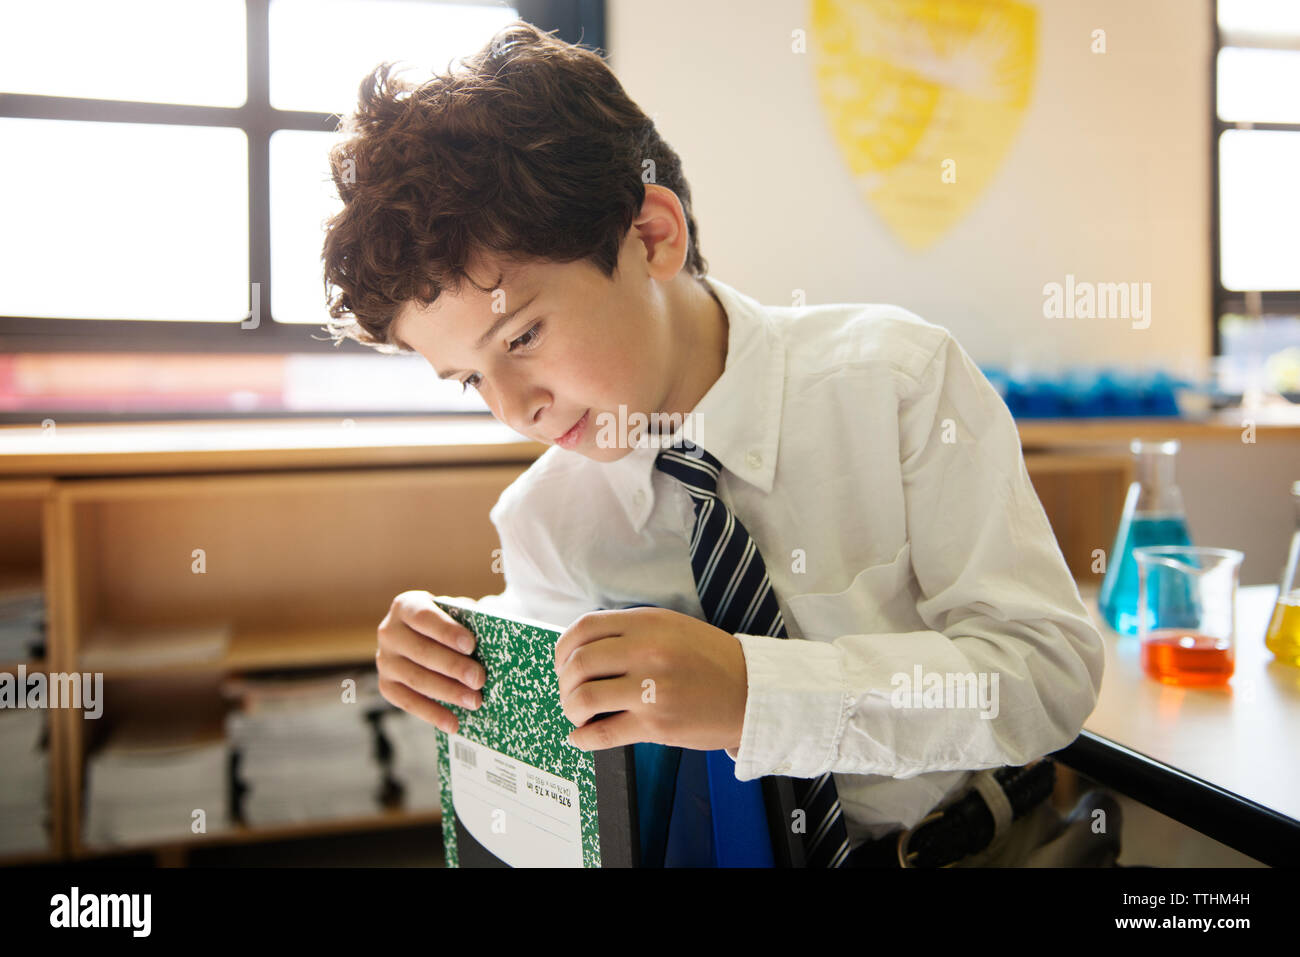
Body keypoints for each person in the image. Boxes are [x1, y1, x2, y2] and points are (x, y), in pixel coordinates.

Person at [342, 21, 1116, 867]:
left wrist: (757, 694)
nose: (514, 408)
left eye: (523, 337)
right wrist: (466, 655)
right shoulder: (546, 520)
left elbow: (1048, 675)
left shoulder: (897, 384)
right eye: (469, 379)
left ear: (651, 238)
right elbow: (588, 775)